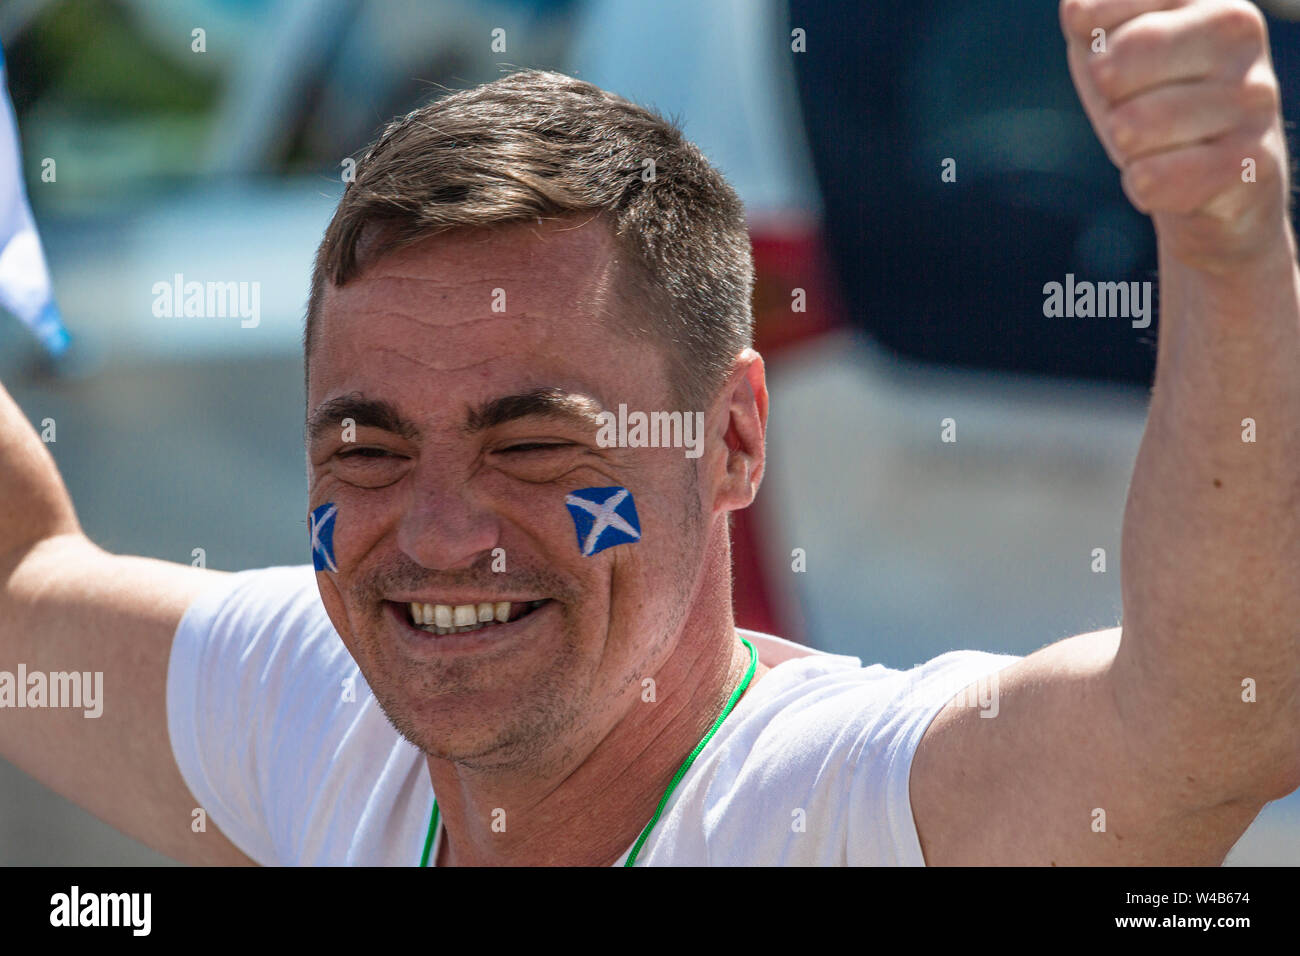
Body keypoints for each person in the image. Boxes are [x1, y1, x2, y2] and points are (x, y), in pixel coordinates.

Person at [1, 0, 1297, 866]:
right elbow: (21, 599)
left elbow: (1210, 727)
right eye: (370, 449)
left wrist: (1225, 243)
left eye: (532, 445)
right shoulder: (320, 717)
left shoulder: (826, 806)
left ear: (732, 440)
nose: (440, 533)